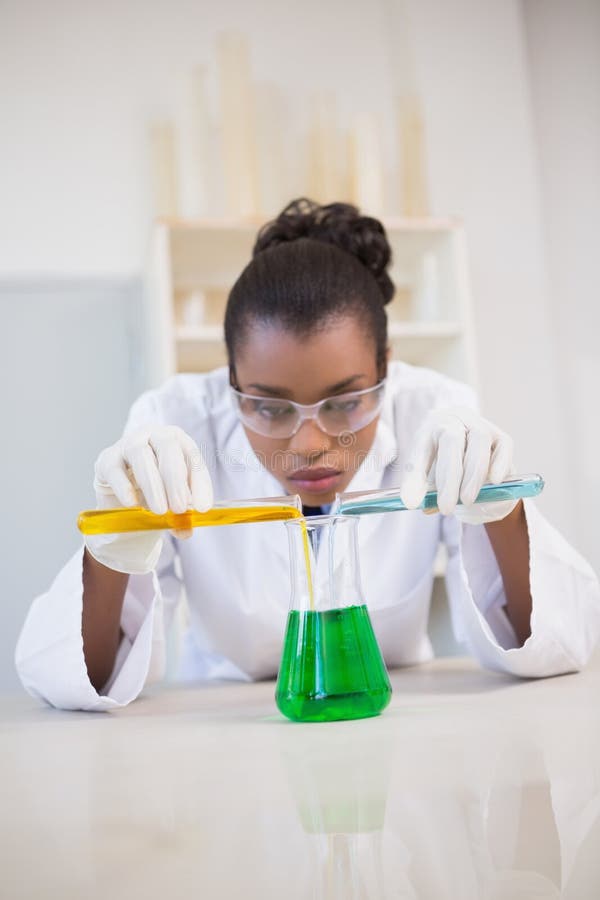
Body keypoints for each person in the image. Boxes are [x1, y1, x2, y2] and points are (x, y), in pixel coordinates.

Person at [15, 199, 600, 711]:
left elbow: (557, 647)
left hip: (392, 729)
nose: (311, 445)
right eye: (269, 408)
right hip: (227, 740)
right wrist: (113, 550)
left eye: (346, 401)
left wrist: (500, 513)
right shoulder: (176, 422)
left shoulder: (431, 412)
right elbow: (73, 682)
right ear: (230, 380)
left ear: (386, 368)